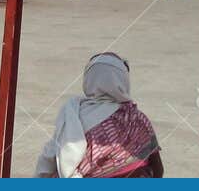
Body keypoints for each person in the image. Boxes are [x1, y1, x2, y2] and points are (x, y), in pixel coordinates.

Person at [34, 52, 163, 178]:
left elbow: (52, 157)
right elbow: (158, 169)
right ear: (123, 80)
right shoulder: (138, 119)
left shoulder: (73, 113)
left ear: (89, 80)